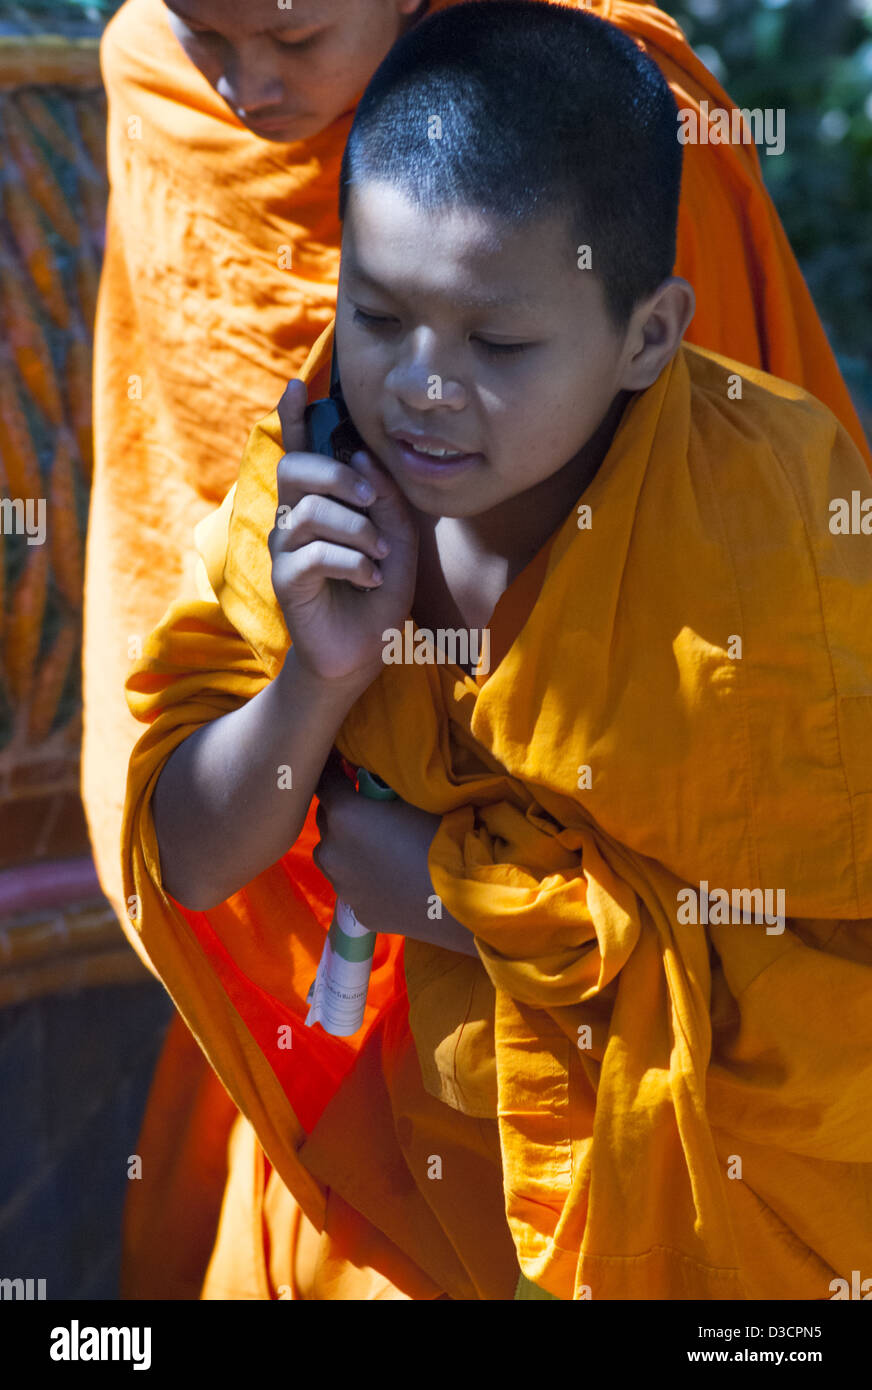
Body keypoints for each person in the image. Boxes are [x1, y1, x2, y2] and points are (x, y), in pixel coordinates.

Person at [122, 1, 872, 1300]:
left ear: (650, 333)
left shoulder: (773, 522)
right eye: (376, 315)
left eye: (498, 343)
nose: (421, 386)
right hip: (409, 1185)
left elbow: (831, 957)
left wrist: (463, 897)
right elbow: (190, 857)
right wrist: (318, 680)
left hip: (704, 1220)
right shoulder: (321, 469)